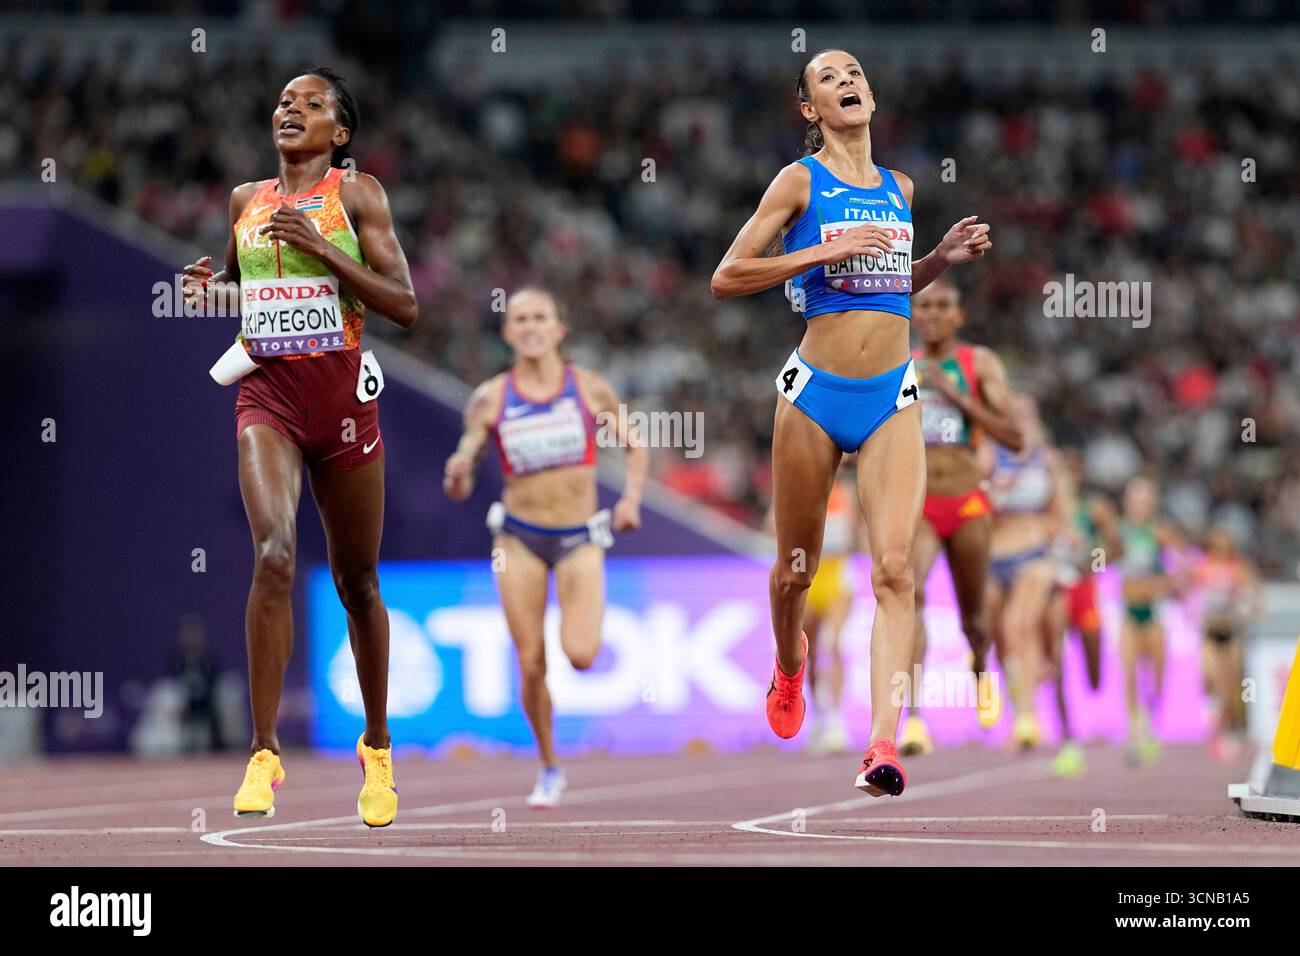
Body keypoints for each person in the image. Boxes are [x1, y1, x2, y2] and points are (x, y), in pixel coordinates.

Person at [711, 48, 991, 796]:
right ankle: (789, 665)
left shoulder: (900, 186)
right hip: (814, 394)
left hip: (892, 396)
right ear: (811, 111)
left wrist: (937, 256)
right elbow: (727, 276)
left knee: (895, 571)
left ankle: (881, 745)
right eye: (828, 79)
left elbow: (888, 284)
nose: (847, 83)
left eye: (855, 73)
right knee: (794, 573)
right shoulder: (799, 181)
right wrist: (819, 252)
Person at [180, 68, 417, 827]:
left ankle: (376, 747)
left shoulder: (359, 195)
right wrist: (207, 291)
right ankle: (263, 751)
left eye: (311, 104)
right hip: (269, 397)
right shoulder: (246, 201)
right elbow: (246, 287)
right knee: (275, 553)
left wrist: (323, 248)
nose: (291, 108)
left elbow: (404, 304)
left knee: (358, 582)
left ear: (338, 134)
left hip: (343, 400)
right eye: (283, 99)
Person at [444, 288, 646, 808]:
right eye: (520, 319)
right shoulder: (490, 396)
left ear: (559, 329)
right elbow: (463, 468)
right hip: (517, 538)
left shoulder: (588, 387)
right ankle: (550, 765)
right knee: (531, 661)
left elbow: (634, 442)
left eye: (541, 317)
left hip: (580, 535)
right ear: (508, 332)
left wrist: (629, 499)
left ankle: (575, 618)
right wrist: (460, 475)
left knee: (579, 654)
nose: (531, 326)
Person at [902, 279, 1020, 755]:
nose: (931, 313)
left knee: (974, 616)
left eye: (942, 306)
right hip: (921, 502)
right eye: (923, 305)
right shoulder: (899, 364)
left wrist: (954, 394)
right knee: (910, 594)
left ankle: (980, 667)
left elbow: (1014, 437)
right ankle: (912, 719)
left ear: (958, 316)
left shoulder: (979, 364)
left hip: (968, 502)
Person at [983, 394, 1069, 751]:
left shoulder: (1047, 460)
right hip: (993, 555)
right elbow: (970, 505)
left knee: (1020, 626)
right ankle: (1019, 706)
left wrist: (1045, 531)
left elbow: (1062, 514)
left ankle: (1028, 718)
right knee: (997, 637)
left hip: (1033, 554)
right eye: (1012, 412)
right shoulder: (988, 454)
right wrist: (990, 493)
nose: (1020, 418)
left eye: (1025, 412)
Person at [1117, 476, 1172, 766]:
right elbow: (1103, 566)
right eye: (1138, 500)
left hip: (1153, 613)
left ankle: (1150, 720)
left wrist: (1158, 585)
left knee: (1158, 675)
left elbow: (1175, 573)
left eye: (1147, 501)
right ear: (1128, 502)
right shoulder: (1117, 533)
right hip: (1128, 613)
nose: (1142, 506)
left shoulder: (1159, 534)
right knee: (1128, 671)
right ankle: (1135, 729)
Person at [1194, 526, 1258, 763]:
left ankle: (1229, 732)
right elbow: (1189, 592)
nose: (1221, 549)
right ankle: (1213, 716)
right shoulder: (1203, 566)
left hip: (1230, 634)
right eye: (1217, 545)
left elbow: (1253, 596)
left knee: (1230, 687)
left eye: (1225, 546)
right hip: (1210, 633)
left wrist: (1244, 609)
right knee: (1208, 677)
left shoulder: (1238, 568)